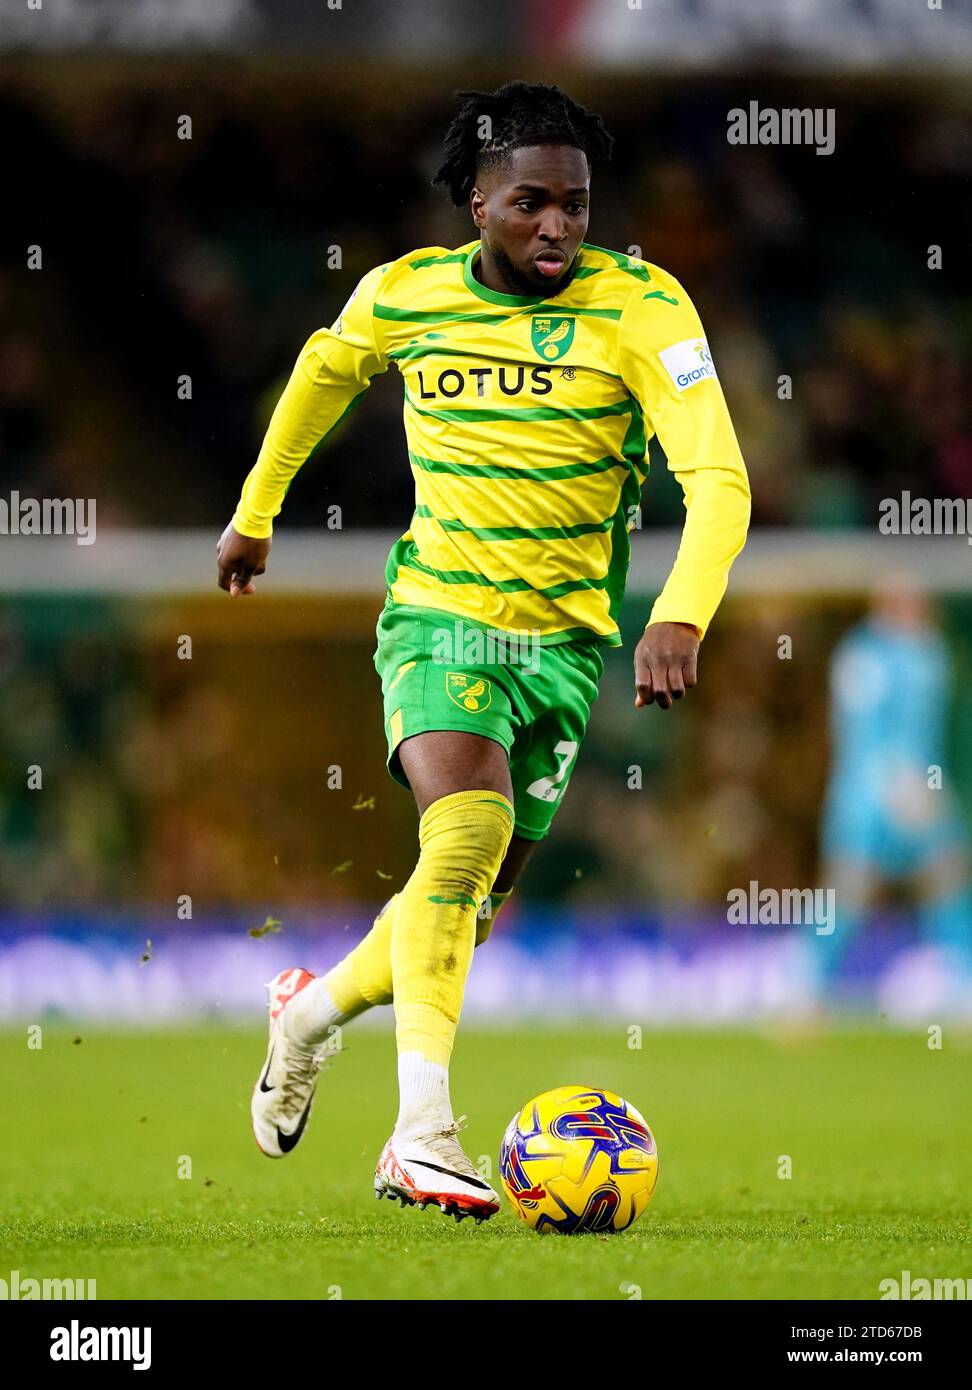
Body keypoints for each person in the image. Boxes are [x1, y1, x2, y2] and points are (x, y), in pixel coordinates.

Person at [217, 81, 750, 1222]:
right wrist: (256, 511)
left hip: (567, 645)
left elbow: (719, 479)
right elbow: (323, 373)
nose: (557, 226)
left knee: (455, 902)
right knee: (465, 829)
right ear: (477, 201)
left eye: (576, 205)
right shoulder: (404, 294)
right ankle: (422, 1134)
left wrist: (682, 611)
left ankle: (306, 1017)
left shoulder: (645, 309)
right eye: (530, 203)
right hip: (440, 614)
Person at [817, 575, 971, 1001]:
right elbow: (857, 729)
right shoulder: (862, 655)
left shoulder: (931, 652)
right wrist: (892, 782)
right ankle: (808, 983)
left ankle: (963, 986)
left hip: (924, 784)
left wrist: (924, 785)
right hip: (866, 792)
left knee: (947, 877)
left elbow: (927, 730)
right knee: (850, 889)